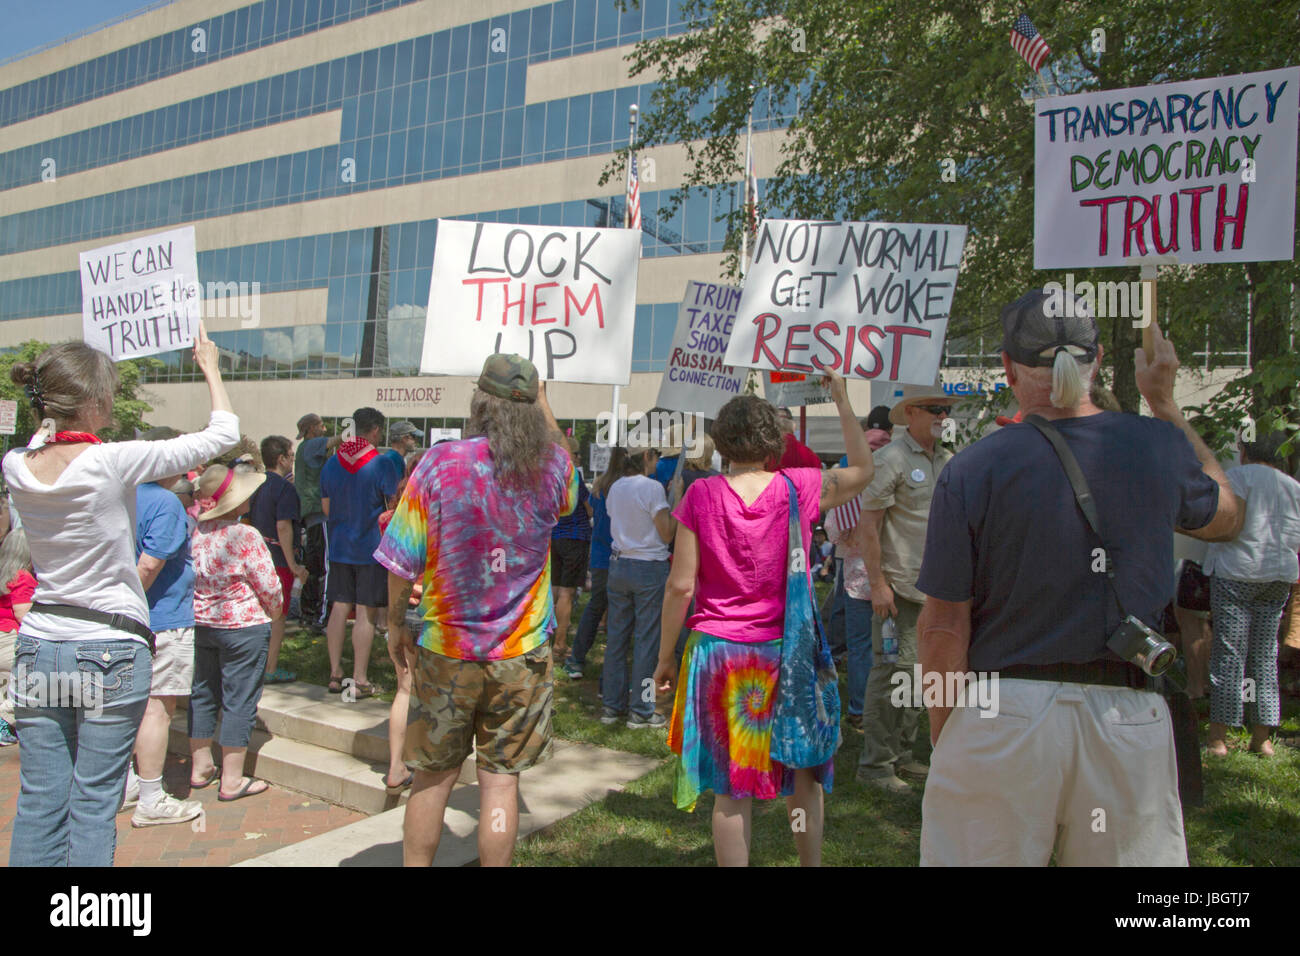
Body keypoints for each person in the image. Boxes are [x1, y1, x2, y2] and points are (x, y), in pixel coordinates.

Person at [915, 291, 1243, 866]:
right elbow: (1228, 516)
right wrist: (1165, 406)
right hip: (1127, 719)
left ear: (1009, 367)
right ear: (1092, 365)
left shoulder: (972, 467)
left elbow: (943, 626)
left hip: (1001, 715)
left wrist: (948, 734)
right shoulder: (1158, 446)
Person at [5, 329, 237, 867]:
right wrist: (210, 367)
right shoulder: (111, 461)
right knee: (93, 803)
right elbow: (221, 432)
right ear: (94, 402)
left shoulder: (16, 464)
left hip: (40, 642)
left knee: (40, 801)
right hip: (109, 645)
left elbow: (42, 449)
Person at [653, 372, 874, 866]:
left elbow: (681, 585)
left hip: (719, 653)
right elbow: (863, 468)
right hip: (787, 651)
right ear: (774, 440)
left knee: (732, 790)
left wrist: (666, 657)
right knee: (802, 771)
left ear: (722, 440)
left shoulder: (700, 496)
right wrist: (841, 400)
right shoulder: (799, 487)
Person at [378, 354, 577, 867]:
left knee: (431, 779)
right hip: (522, 656)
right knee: (500, 788)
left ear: (477, 402)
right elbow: (567, 477)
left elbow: (400, 561)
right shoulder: (554, 466)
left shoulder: (440, 463)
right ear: (532, 409)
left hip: (447, 652)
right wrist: (544, 402)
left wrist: (395, 624)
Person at [852, 384, 955, 791]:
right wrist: (878, 585)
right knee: (893, 672)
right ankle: (876, 765)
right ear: (910, 413)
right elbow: (869, 529)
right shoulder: (889, 459)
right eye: (935, 409)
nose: (943, 417)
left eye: (946, 410)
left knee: (920, 676)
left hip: (938, 590)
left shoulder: (948, 459)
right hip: (900, 591)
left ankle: (906, 754)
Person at [122, 427, 205, 827]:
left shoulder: (121, 496)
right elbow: (149, 565)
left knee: (128, 706)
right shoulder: (167, 504)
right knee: (158, 707)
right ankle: (151, 797)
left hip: (121, 625)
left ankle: (129, 783)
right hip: (161, 621)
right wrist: (128, 606)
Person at [188, 463, 284, 802]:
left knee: (202, 693)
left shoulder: (196, 533)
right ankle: (231, 779)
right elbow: (269, 586)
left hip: (203, 623)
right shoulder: (246, 535)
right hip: (244, 627)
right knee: (239, 699)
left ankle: (201, 766)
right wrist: (275, 612)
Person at [1203, 433, 1300, 758]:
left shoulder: (1237, 478)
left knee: (1229, 655)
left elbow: (1225, 524)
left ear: (1244, 452)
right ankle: (1263, 739)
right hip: (1278, 574)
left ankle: (1219, 739)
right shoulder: (1292, 486)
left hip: (1237, 571)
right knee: (1264, 654)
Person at [320, 407, 404, 698]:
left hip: (339, 544)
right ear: (376, 431)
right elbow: (393, 504)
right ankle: (359, 678)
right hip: (370, 547)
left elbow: (326, 508)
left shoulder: (331, 464)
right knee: (366, 613)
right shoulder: (381, 464)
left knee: (339, 607)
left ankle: (334, 673)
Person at [602, 446, 673, 729]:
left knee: (617, 639)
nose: (658, 461)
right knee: (647, 640)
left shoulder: (614, 486)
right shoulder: (653, 488)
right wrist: (677, 503)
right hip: (648, 567)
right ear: (646, 457)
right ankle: (641, 709)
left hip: (619, 564)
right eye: (655, 455)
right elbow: (666, 532)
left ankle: (611, 705)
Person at [249, 435, 309, 684]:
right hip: (277, 559)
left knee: (257, 614)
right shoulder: (284, 488)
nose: (293, 460)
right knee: (277, 616)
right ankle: (270, 668)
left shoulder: (254, 484)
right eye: (291, 456)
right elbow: (284, 527)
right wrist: (293, 565)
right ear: (282, 458)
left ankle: (252, 664)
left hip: (254, 556)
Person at [564, 454, 618, 679]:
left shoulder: (600, 486)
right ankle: (611, 677)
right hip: (618, 556)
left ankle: (577, 660)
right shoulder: (625, 488)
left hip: (600, 556)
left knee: (596, 606)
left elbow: (593, 513)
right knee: (618, 613)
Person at [294, 413, 340, 633]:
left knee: (313, 565)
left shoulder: (304, 449)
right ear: (312, 429)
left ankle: (308, 613)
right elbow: (334, 441)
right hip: (319, 513)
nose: (324, 429)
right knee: (324, 566)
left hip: (311, 514)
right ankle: (320, 617)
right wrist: (352, 433)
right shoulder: (311, 445)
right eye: (322, 426)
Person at [550, 436, 590, 665]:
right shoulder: (574, 476)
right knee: (567, 592)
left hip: (554, 536)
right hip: (575, 538)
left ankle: (548, 638)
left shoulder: (551, 475)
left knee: (554, 590)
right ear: (571, 455)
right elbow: (589, 508)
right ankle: (560, 643)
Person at [0, 527, 35, 746]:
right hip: (11, 639)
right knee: (31, 680)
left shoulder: (4, 573)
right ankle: (4, 722)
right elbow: (23, 614)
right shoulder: (23, 577)